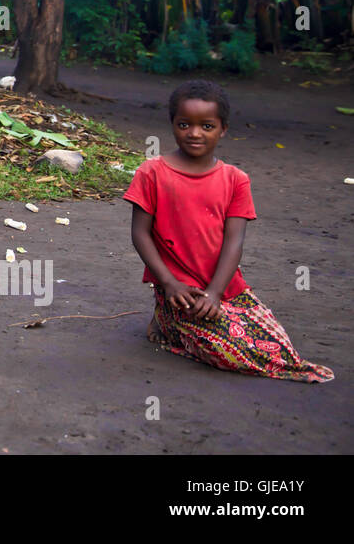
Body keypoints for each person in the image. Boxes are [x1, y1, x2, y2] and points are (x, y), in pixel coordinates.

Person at [125, 79, 333, 382]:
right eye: (185, 124)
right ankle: (167, 321)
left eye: (206, 126)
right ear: (172, 124)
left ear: (223, 129)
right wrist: (169, 283)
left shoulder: (236, 179)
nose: (195, 133)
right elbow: (140, 234)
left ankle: (181, 324)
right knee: (229, 351)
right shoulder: (152, 173)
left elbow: (235, 242)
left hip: (225, 287)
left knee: (279, 348)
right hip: (180, 293)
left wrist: (215, 293)